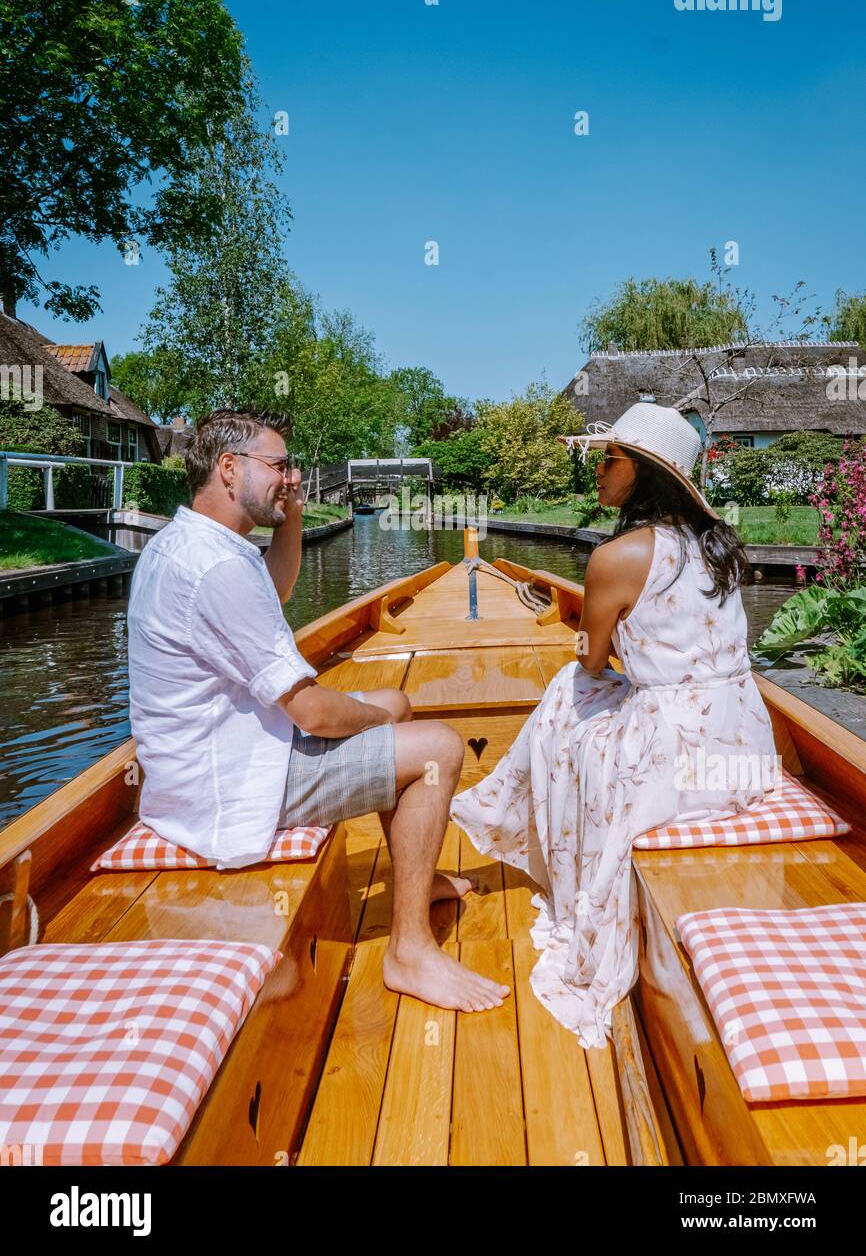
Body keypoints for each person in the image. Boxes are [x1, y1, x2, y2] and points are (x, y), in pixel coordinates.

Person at [127, 409, 508, 1015]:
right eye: (278, 466)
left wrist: (292, 511)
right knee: (436, 748)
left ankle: (419, 875)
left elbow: (274, 589)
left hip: (221, 752)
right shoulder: (216, 567)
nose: (290, 476)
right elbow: (312, 713)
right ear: (230, 468)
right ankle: (409, 950)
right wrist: (379, 725)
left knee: (397, 701)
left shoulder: (195, 542)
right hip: (228, 784)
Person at [450, 402, 778, 1048]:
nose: (597, 470)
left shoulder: (617, 558)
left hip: (678, 758)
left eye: (609, 459)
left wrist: (596, 653)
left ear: (646, 473)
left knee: (564, 696)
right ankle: (500, 818)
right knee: (579, 700)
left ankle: (506, 824)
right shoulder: (718, 546)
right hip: (746, 745)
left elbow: (593, 658)